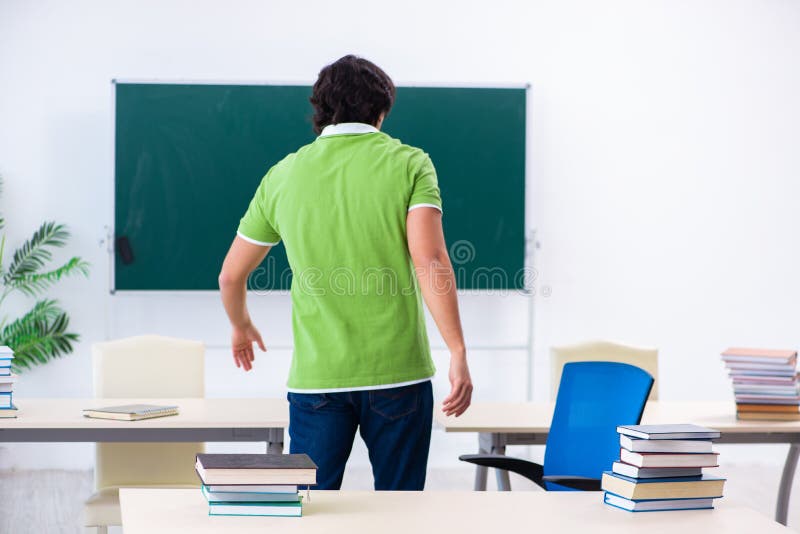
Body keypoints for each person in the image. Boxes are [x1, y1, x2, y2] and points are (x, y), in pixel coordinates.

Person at [218, 55, 471, 491]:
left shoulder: (282, 175)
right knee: (400, 510)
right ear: (381, 111)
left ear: (320, 110)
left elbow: (230, 277)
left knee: (310, 510)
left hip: (317, 379)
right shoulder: (411, 163)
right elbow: (429, 260)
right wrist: (457, 350)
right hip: (400, 377)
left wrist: (240, 326)